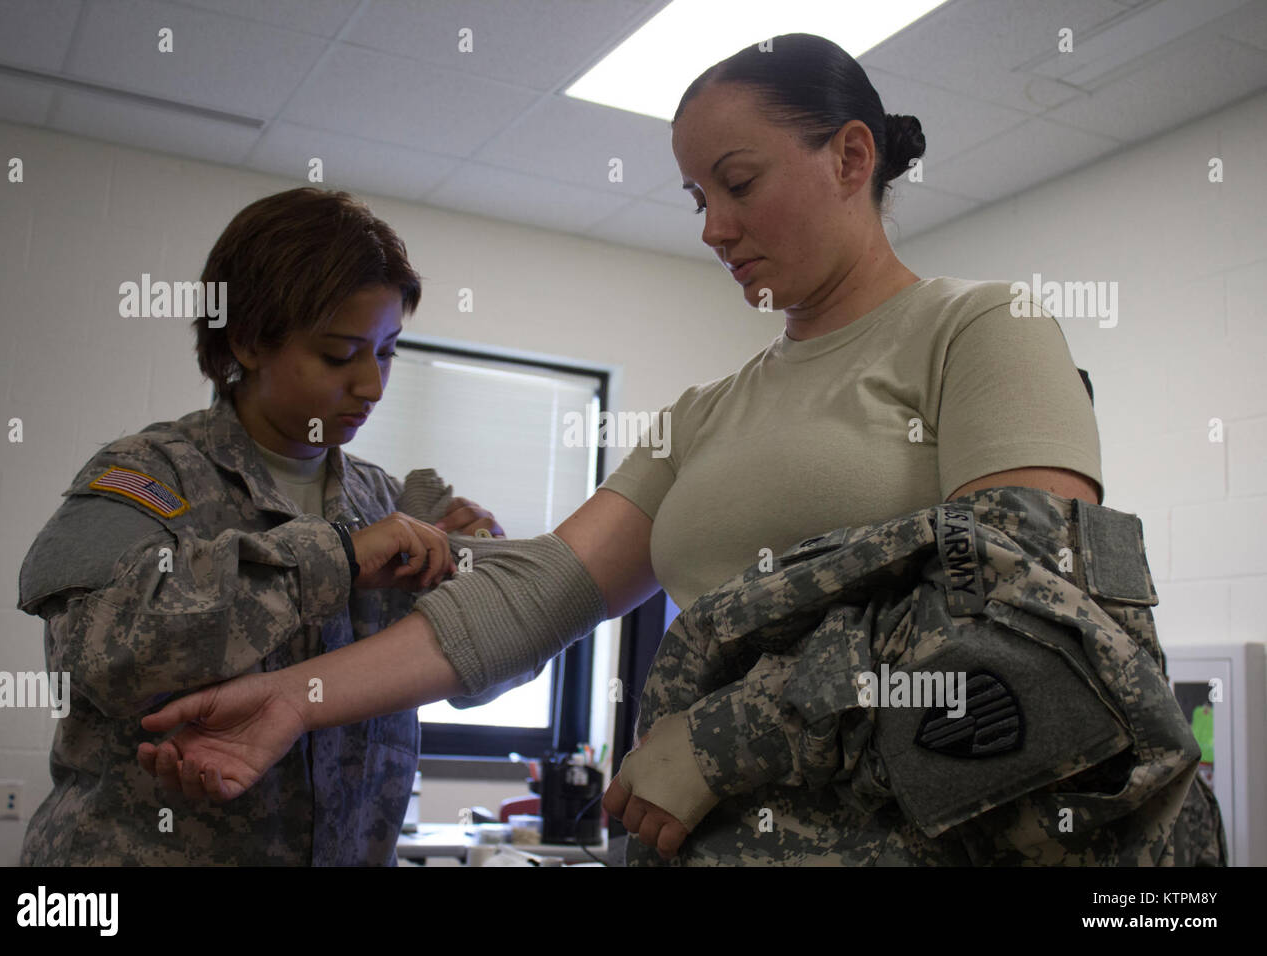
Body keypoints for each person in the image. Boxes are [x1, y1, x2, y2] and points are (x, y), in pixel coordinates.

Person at [137, 34, 1105, 863]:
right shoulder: (704, 414)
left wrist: (719, 743)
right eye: (695, 198)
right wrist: (294, 696)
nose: (713, 229)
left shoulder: (981, 331)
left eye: (737, 183)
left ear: (851, 157)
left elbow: (1027, 630)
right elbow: (537, 593)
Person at [16, 187, 505, 865]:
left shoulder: (389, 501)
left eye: (388, 352)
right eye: (341, 355)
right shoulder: (149, 475)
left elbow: (483, 676)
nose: (373, 386)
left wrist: (486, 570)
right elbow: (97, 655)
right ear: (246, 340)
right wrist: (333, 557)